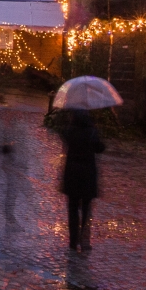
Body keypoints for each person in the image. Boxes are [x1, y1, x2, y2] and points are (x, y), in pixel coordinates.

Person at [59, 107, 105, 252]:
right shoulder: (92, 132)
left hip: (72, 174)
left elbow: (63, 136)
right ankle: (83, 239)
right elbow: (100, 148)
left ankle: (73, 241)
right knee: (86, 208)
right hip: (87, 175)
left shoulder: (70, 131)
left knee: (72, 208)